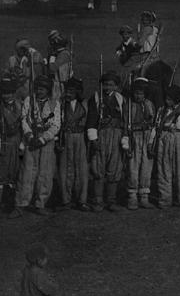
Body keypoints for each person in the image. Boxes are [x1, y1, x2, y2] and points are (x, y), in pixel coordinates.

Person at [11, 75, 60, 218]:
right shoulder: (29, 100)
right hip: (31, 141)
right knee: (27, 172)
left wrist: (44, 139)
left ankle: (41, 203)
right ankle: (20, 204)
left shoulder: (54, 104)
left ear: (48, 90)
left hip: (46, 142)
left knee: (45, 173)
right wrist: (29, 136)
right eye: (38, 88)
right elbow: (24, 119)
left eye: (43, 89)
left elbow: (56, 124)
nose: (40, 91)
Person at [87, 72, 126, 212]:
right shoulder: (96, 98)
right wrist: (93, 138)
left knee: (114, 168)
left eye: (111, 84)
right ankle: (98, 201)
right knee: (98, 167)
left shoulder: (121, 99)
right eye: (106, 84)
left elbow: (124, 120)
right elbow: (91, 119)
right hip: (101, 135)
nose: (108, 87)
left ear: (116, 86)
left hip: (116, 135)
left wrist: (124, 138)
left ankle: (111, 201)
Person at [152, 85, 180, 208]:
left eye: (170, 99)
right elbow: (156, 126)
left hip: (178, 139)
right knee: (164, 167)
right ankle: (165, 199)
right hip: (164, 138)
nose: (167, 101)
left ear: (176, 99)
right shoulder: (161, 110)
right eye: (166, 98)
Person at [57, 77, 90, 212]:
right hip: (66, 137)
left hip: (80, 137)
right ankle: (65, 200)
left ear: (78, 91)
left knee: (81, 168)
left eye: (72, 90)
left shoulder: (85, 104)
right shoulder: (61, 104)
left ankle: (81, 200)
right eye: (68, 90)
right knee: (65, 168)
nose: (69, 93)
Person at [123, 78, 155, 210]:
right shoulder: (128, 105)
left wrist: (151, 141)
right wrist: (126, 143)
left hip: (147, 137)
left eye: (141, 93)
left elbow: (154, 123)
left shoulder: (149, 104)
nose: (138, 96)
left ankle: (144, 196)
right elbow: (125, 125)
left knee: (146, 166)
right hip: (134, 137)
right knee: (133, 167)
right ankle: (132, 196)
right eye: (136, 93)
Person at [0, 76, 23, 212]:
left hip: (16, 141)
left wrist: (22, 143)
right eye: (3, 92)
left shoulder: (20, 105)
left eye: (9, 92)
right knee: (2, 172)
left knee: (14, 171)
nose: (6, 95)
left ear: (14, 93)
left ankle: (12, 203)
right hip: (3, 141)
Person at [45, 30, 73, 101]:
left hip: (60, 85)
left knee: (56, 104)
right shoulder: (61, 53)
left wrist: (52, 56)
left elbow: (52, 68)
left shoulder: (64, 54)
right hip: (56, 84)